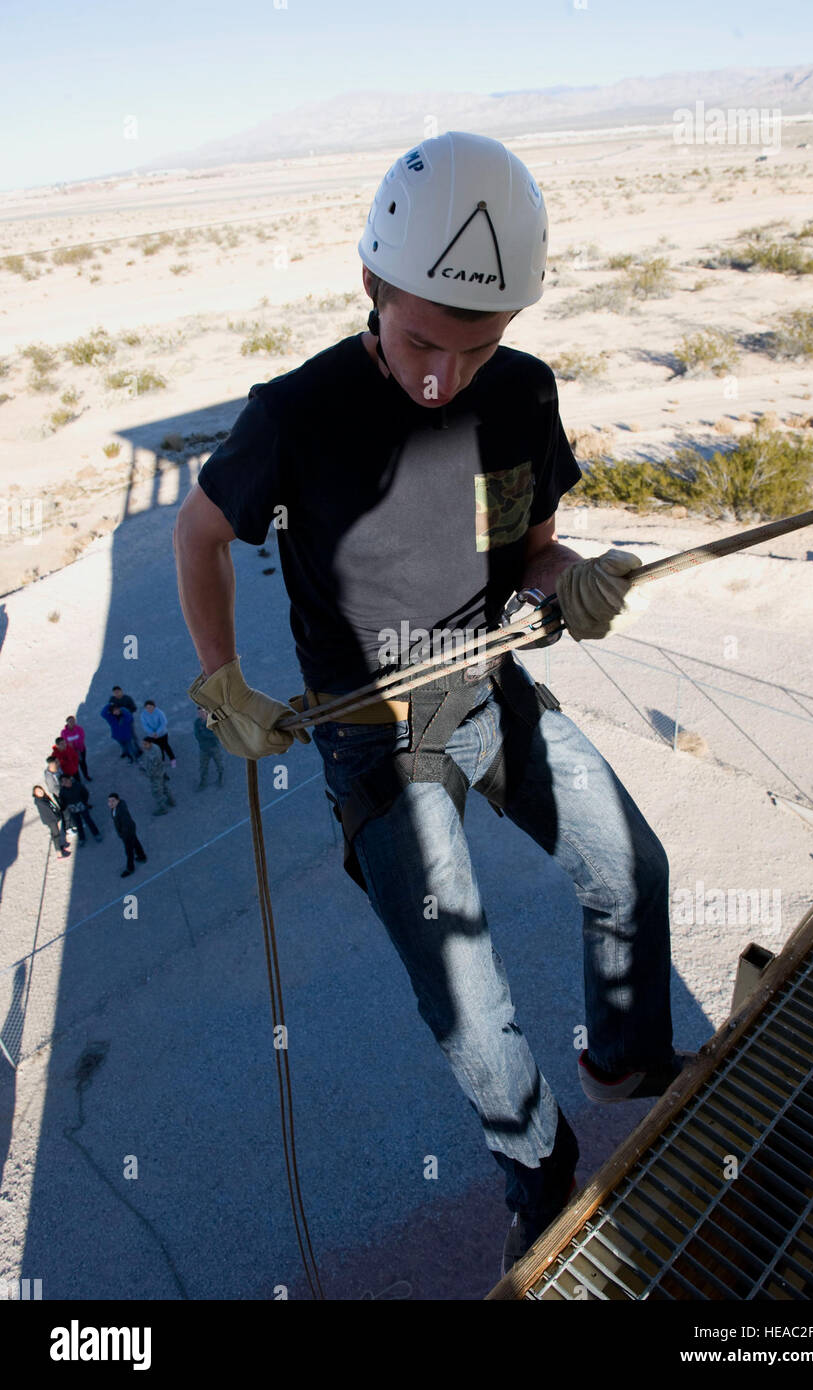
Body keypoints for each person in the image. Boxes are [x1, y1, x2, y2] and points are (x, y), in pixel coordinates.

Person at [174, 131, 688, 1278]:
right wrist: (224, 685)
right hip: (370, 737)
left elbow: (533, 559)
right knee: (467, 998)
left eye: (476, 343)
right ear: (369, 283)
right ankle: (539, 1168)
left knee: (631, 867)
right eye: (419, 340)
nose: (440, 376)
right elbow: (200, 531)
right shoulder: (296, 412)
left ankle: (625, 1059)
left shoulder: (521, 393)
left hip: (487, 687)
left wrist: (577, 584)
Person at [107, 794, 147, 877]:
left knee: (129, 851)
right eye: (109, 801)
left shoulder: (121, 811)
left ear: (118, 800)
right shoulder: (115, 808)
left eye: (113, 801)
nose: (110, 803)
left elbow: (126, 824)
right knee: (135, 842)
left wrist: (123, 834)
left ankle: (130, 868)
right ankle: (142, 856)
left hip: (127, 832)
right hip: (129, 830)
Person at [59, 774, 102, 844]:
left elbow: (85, 793)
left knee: (88, 820)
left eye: (66, 780)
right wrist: (66, 806)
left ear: (70, 779)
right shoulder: (62, 791)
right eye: (63, 782)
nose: (66, 783)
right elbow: (62, 801)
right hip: (72, 809)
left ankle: (96, 834)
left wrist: (84, 802)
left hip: (81, 806)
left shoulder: (78, 785)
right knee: (78, 824)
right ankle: (82, 838)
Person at [138, 736, 176, 813]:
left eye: (145, 744)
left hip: (156, 775)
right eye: (143, 744)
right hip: (161, 772)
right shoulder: (154, 747)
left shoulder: (153, 754)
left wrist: (147, 773)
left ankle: (163, 809)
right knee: (165, 787)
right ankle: (172, 801)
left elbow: (153, 768)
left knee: (157, 792)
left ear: (150, 743)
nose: (143, 746)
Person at [33, 784, 70, 859]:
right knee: (56, 835)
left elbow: (53, 806)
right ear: (35, 794)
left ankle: (60, 846)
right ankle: (59, 853)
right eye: (38, 791)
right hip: (51, 820)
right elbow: (49, 812)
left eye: (40, 790)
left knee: (57, 834)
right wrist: (56, 818)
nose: (40, 792)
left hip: (53, 819)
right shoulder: (40, 802)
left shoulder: (44, 798)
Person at [193, 706, 224, 789]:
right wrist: (207, 735)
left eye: (202, 712)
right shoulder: (197, 723)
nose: (201, 714)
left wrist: (204, 734)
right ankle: (203, 782)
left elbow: (217, 735)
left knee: (219, 763)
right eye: (199, 713)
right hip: (203, 749)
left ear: (206, 712)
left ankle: (221, 777)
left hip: (214, 748)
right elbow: (197, 735)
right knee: (203, 767)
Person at [141, 700, 177, 766]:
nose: (149, 709)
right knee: (158, 748)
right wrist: (152, 732)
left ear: (154, 707)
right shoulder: (143, 714)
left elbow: (164, 723)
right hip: (152, 735)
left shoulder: (159, 712)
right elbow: (145, 725)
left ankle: (172, 759)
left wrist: (157, 732)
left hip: (162, 734)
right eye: (147, 708)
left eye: (150, 707)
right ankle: (162, 760)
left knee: (166, 746)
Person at [60, 714, 92, 781]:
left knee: (83, 763)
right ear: (67, 722)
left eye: (73, 721)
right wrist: (69, 747)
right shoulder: (64, 732)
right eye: (70, 721)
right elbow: (63, 741)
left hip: (80, 750)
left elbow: (82, 738)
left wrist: (76, 747)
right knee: (74, 765)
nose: (72, 723)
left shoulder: (79, 729)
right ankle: (78, 779)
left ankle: (86, 775)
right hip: (71, 752)